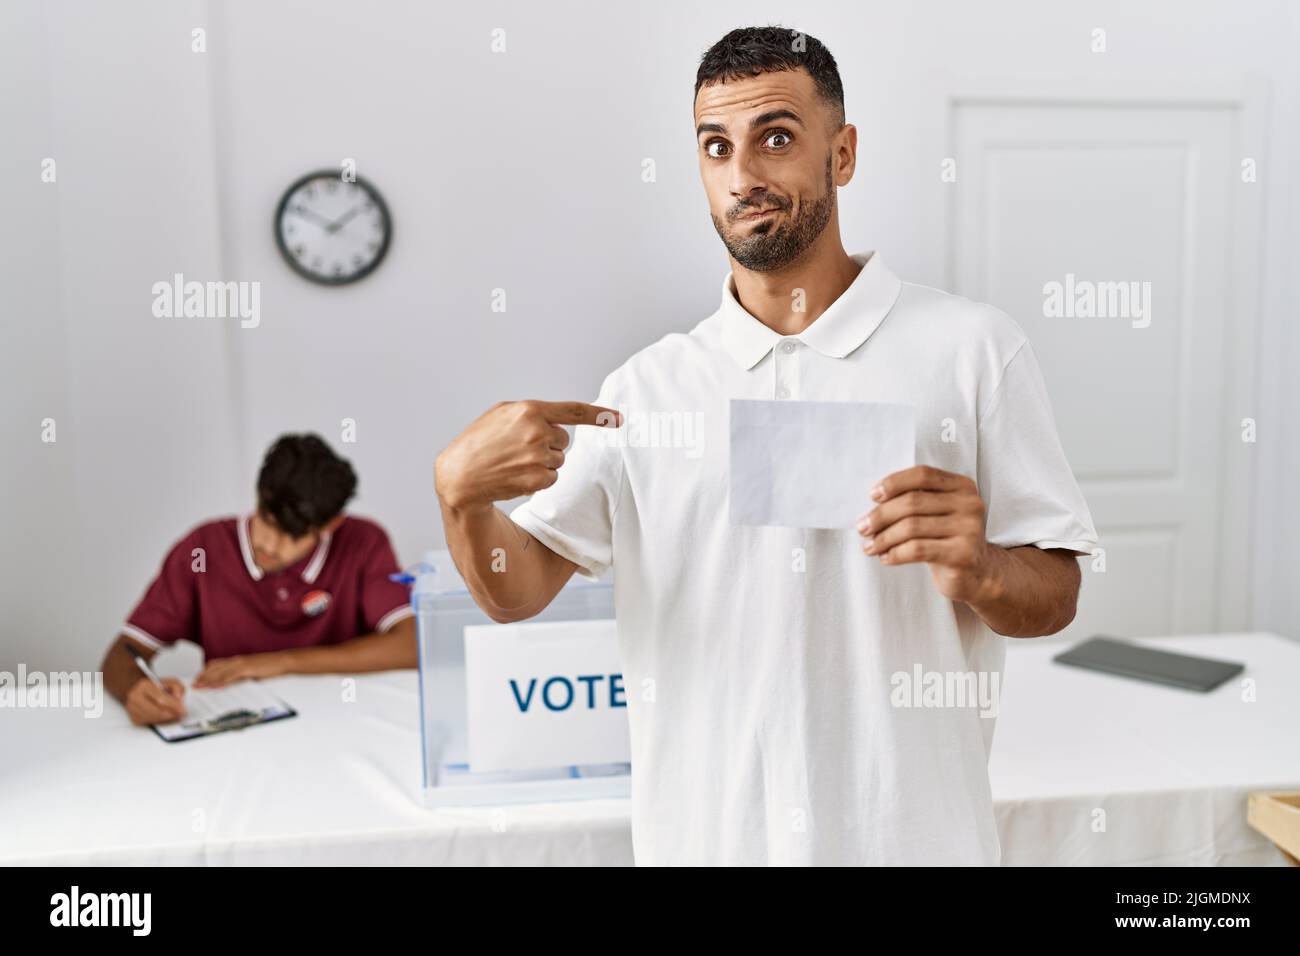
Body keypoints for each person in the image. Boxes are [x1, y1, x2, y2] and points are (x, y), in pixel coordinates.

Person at [434, 26, 1098, 865]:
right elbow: (515, 592)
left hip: (917, 844)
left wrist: (988, 571)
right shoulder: (645, 391)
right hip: (705, 845)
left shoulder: (973, 351)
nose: (743, 175)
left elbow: (1058, 593)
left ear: (843, 153)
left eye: (776, 138)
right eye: (717, 148)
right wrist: (461, 499)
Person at [102, 433, 416, 726]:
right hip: (236, 736)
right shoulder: (202, 549)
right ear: (258, 494)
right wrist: (136, 690)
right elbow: (122, 654)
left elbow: (411, 646)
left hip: (339, 724)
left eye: (292, 535)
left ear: (331, 525)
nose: (270, 545)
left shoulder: (364, 542)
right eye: (266, 520)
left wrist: (282, 662)